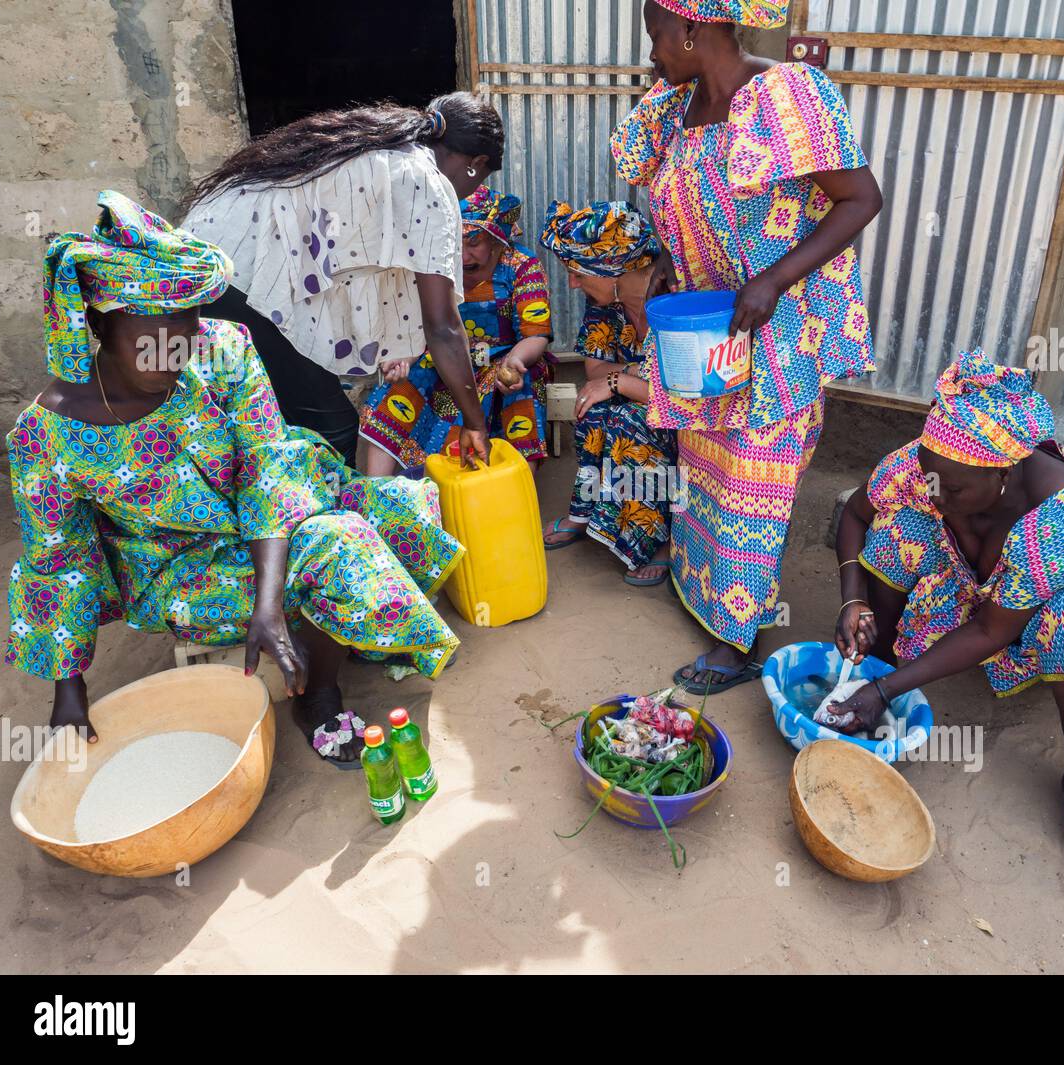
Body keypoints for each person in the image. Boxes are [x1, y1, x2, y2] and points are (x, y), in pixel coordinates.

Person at [7, 191, 466, 769]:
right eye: (153, 340)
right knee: (343, 547)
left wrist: (268, 603)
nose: (175, 355)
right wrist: (69, 695)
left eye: (188, 329)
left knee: (401, 505)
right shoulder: (44, 436)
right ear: (100, 323)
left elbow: (267, 465)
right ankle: (319, 698)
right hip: (177, 564)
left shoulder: (222, 348)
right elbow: (59, 561)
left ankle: (328, 640)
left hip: (280, 502)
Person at [831, 352, 1064, 874]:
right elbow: (857, 514)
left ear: (1005, 471)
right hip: (989, 586)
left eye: (953, 490)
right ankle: (878, 661)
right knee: (900, 530)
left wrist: (887, 691)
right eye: (932, 479)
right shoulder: (932, 464)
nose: (937, 494)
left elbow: (991, 630)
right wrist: (852, 598)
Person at [611, 0, 883, 692]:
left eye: (655, 37)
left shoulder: (784, 94)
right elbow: (685, 202)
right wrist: (673, 261)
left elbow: (861, 198)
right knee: (706, 473)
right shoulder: (677, 109)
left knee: (752, 486)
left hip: (783, 334)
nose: (651, 54)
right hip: (712, 334)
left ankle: (739, 643)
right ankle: (707, 596)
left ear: (694, 31)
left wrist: (772, 280)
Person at [182, 94, 504, 466]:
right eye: (480, 179)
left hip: (208, 266)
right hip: (245, 281)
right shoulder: (425, 183)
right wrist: (475, 422)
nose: (473, 192)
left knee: (258, 420)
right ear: (474, 164)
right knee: (331, 437)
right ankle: (336, 522)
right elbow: (444, 326)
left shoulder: (382, 150)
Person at [358, 186, 553, 475]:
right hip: (443, 360)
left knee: (523, 387)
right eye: (455, 243)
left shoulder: (522, 266)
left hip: (502, 362)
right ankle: (380, 492)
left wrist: (516, 360)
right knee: (396, 390)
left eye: (474, 242)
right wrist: (403, 357)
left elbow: (535, 334)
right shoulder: (432, 269)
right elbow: (417, 327)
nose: (463, 256)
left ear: (497, 239)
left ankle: (519, 493)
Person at [538, 200, 678, 586]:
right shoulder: (606, 306)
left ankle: (659, 540)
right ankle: (588, 512)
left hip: (687, 414)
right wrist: (635, 377)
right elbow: (595, 370)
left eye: (577, 273)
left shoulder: (675, 299)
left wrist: (624, 382)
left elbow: (684, 394)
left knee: (631, 418)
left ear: (613, 269)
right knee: (592, 409)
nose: (571, 283)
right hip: (651, 394)